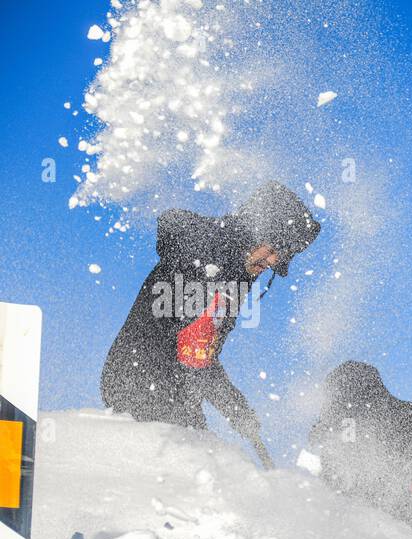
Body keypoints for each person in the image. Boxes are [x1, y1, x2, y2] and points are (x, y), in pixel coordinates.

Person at [100, 181, 321, 466]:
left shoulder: (233, 273)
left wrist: (235, 407)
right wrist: (233, 407)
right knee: (204, 475)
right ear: (256, 233)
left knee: (211, 470)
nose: (274, 261)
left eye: (282, 256)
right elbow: (193, 355)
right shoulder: (209, 259)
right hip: (143, 385)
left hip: (165, 388)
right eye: (274, 248)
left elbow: (201, 355)